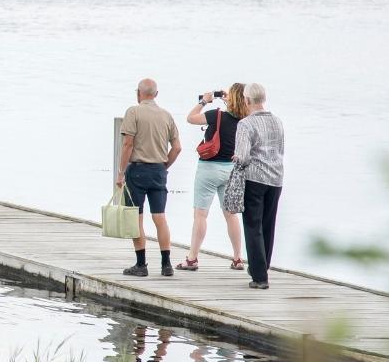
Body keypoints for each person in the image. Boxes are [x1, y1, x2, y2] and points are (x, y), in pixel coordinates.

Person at [177, 82, 248, 272]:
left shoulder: (216, 115)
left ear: (230, 98)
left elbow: (190, 118)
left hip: (209, 168)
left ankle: (192, 259)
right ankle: (238, 258)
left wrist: (203, 101)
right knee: (231, 215)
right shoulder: (246, 119)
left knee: (201, 214)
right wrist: (231, 103)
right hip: (231, 169)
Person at [118, 78, 182, 277]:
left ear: (139, 93)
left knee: (136, 217)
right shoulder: (166, 116)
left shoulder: (133, 112)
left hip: (137, 170)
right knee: (159, 217)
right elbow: (177, 148)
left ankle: (141, 264)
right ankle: (166, 264)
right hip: (158, 171)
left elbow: (128, 144)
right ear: (156, 94)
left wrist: (120, 173)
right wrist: (164, 166)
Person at [232, 82, 283, 289]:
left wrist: (237, 157)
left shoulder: (245, 124)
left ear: (246, 100)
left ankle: (259, 276)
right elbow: (281, 148)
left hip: (254, 178)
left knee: (253, 226)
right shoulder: (277, 121)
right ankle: (262, 267)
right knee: (268, 225)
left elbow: (243, 157)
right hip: (276, 177)